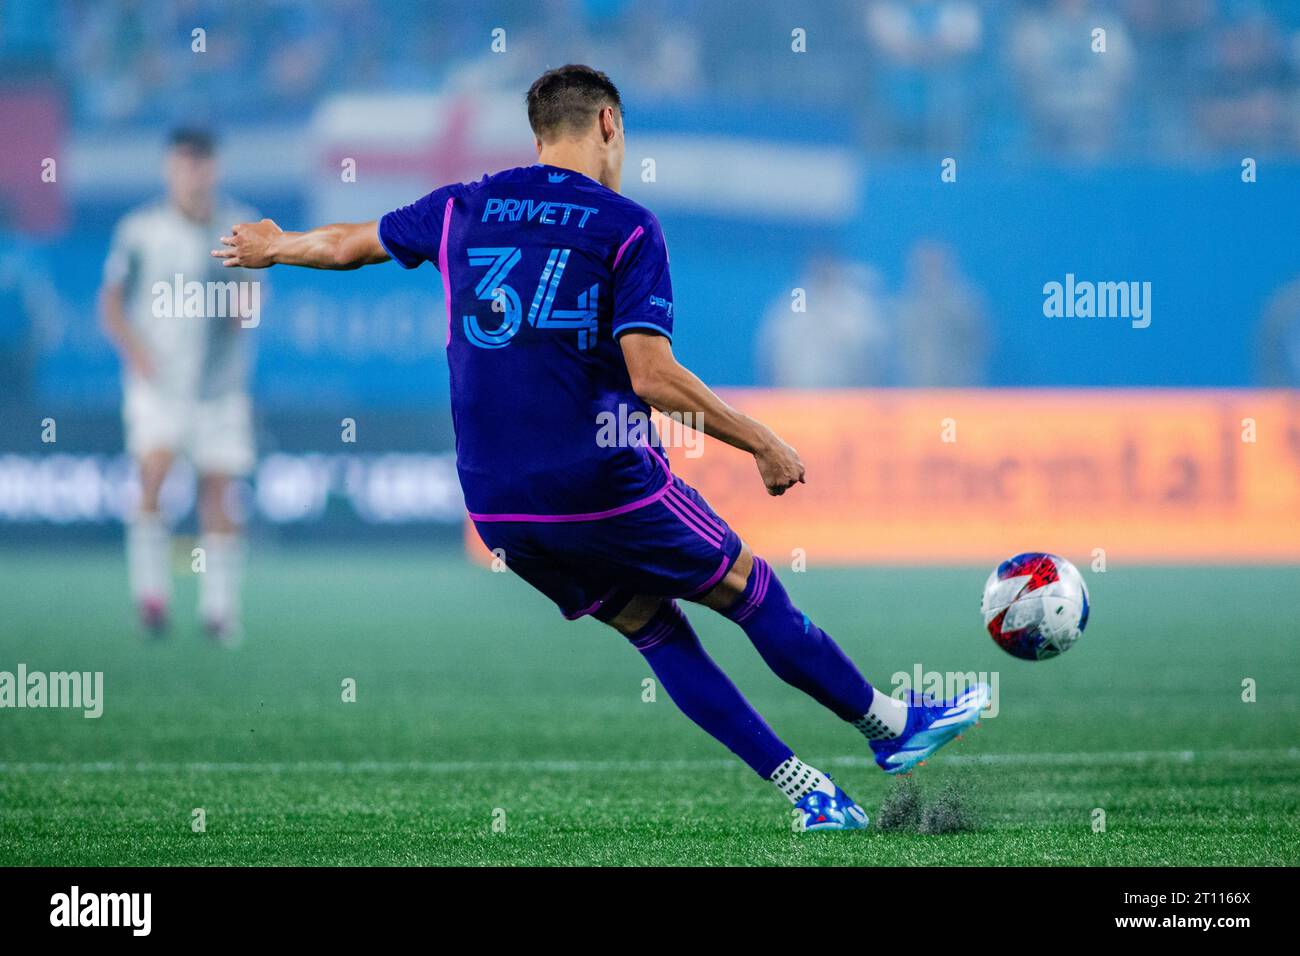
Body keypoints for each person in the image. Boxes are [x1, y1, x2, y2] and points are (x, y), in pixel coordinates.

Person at [213, 66, 988, 830]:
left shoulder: (462, 207)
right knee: (748, 590)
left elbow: (351, 243)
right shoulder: (625, 225)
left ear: (538, 131)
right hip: (597, 482)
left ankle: (807, 790)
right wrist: (761, 440)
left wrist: (278, 246)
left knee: (654, 629)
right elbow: (651, 378)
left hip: (498, 509)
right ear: (609, 124)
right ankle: (890, 726)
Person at [100, 129, 259, 645]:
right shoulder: (140, 231)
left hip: (219, 385)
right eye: (183, 164)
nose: (193, 174)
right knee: (153, 475)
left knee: (220, 491)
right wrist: (138, 354)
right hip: (160, 384)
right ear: (170, 168)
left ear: (214, 168)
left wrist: (241, 311)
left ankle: (219, 611)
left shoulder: (239, 227)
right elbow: (110, 304)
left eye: (201, 164)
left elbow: (251, 308)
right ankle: (151, 597)